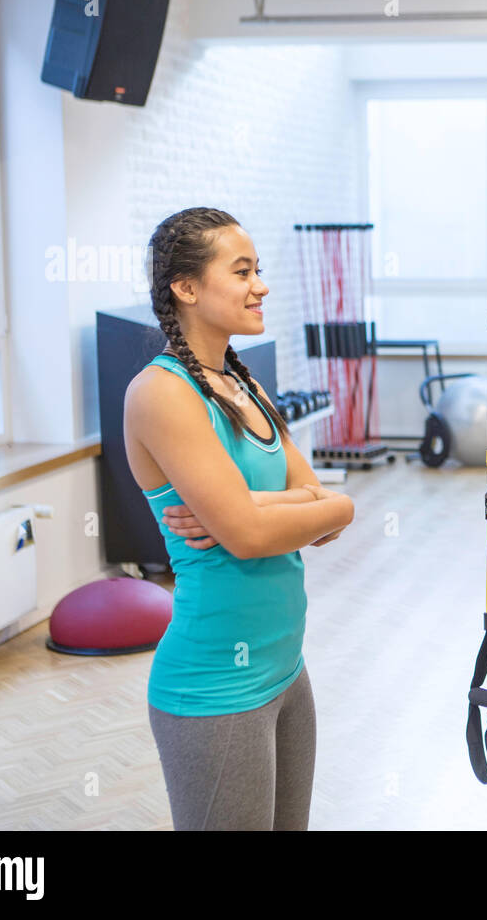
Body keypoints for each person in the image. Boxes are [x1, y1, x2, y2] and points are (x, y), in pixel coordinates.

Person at [123, 206, 354, 830]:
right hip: (214, 686)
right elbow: (250, 540)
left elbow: (332, 506)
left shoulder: (243, 385)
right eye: (244, 270)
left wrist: (275, 506)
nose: (263, 285)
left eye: (260, 269)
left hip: (285, 668)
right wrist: (290, 511)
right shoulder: (162, 393)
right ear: (187, 287)